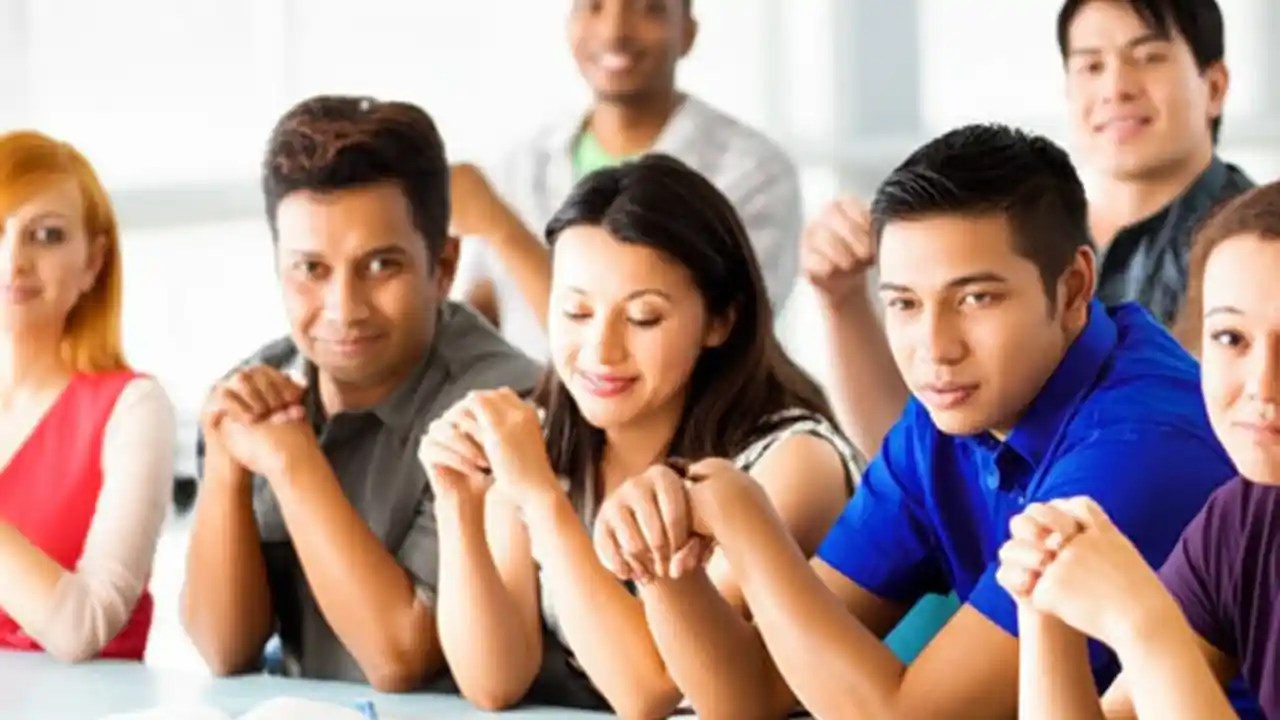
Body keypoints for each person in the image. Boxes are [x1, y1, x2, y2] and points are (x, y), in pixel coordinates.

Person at [591, 124, 1238, 719]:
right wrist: (663, 558)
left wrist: (741, 516)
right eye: (903, 303)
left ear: (1072, 290)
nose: (935, 347)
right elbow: (755, 691)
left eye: (975, 299)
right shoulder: (949, 417)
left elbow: (907, 716)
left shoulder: (1140, 447)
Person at [420, 154, 859, 716]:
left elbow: (654, 690)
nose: (602, 352)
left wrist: (540, 500)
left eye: (644, 318)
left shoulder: (792, 463)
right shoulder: (546, 442)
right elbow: (494, 681)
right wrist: (458, 502)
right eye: (576, 313)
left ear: (720, 320)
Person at [180, 96, 542, 692]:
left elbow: (403, 655)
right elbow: (225, 649)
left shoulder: (503, 403)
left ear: (443, 265)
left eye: (380, 266)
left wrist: (294, 463)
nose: (343, 311)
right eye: (310, 269)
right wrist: (225, 467)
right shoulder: (256, 389)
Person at [1000, 181, 1280, 719]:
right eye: (1231, 339)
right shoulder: (1244, 518)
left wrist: (1145, 626)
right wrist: (1044, 611)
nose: (1262, 386)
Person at [449, 0, 802, 361]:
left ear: (688, 32)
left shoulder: (752, 172)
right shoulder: (519, 165)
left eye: (649, 8)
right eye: (593, 6)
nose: (615, 32)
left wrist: (505, 231)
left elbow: (727, 347)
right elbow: (478, 318)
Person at [0, 131, 175, 662]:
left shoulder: (134, 409)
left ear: (93, 264)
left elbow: (84, 628)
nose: (14, 260)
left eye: (47, 235)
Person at [1059, 0, 1253, 326]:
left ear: (1215, 87)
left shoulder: (1259, 244)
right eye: (1092, 66)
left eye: (1150, 58)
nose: (1116, 89)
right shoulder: (1033, 238)